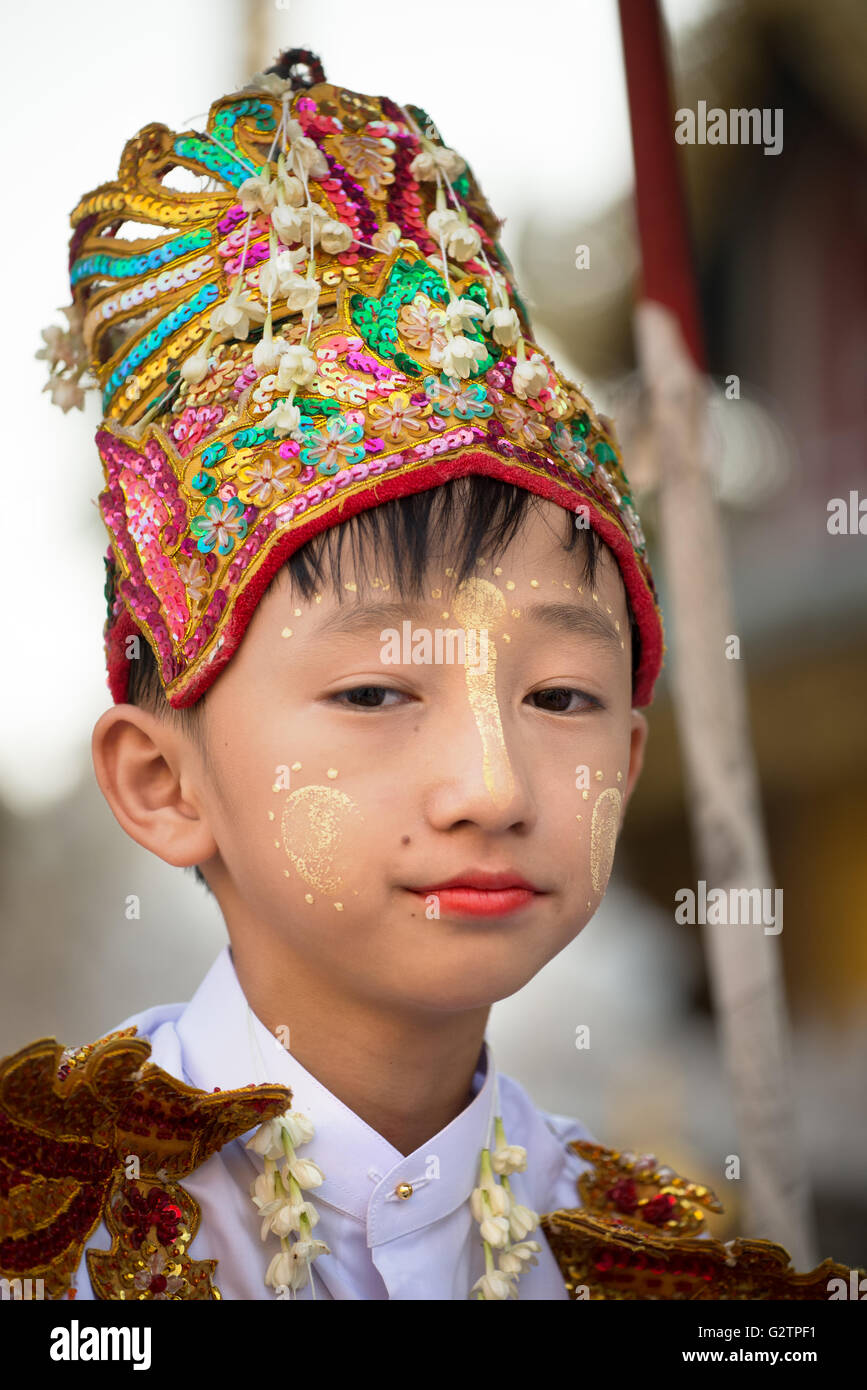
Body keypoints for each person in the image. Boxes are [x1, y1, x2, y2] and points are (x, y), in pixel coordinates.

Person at [1, 48, 849, 1302]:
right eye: (376, 693)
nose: (491, 787)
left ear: (631, 751)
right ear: (163, 780)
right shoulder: (47, 1240)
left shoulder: (675, 1272)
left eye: (561, 696)